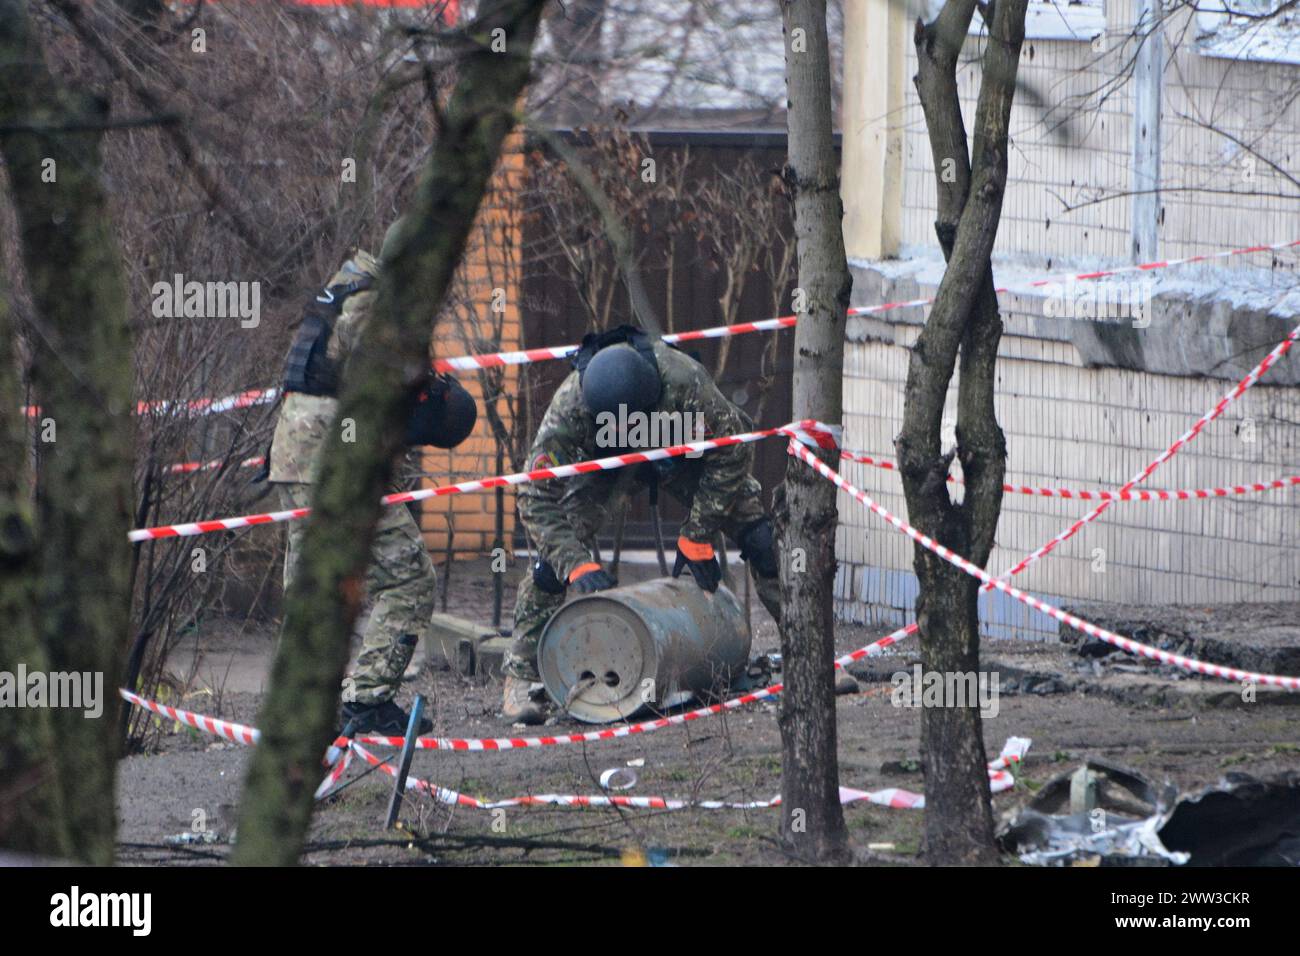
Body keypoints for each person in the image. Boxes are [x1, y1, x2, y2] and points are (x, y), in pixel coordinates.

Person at [502, 325, 781, 724]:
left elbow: (732, 451)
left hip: (679, 458)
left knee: (762, 541)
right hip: (606, 470)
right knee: (548, 568)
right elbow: (534, 495)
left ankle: (813, 655)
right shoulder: (570, 408)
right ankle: (520, 681)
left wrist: (698, 533)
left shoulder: (684, 384)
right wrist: (573, 562)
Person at [267, 219, 477, 735]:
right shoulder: (373, 305)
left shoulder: (348, 285)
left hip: (298, 452)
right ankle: (365, 700)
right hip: (333, 457)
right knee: (408, 578)